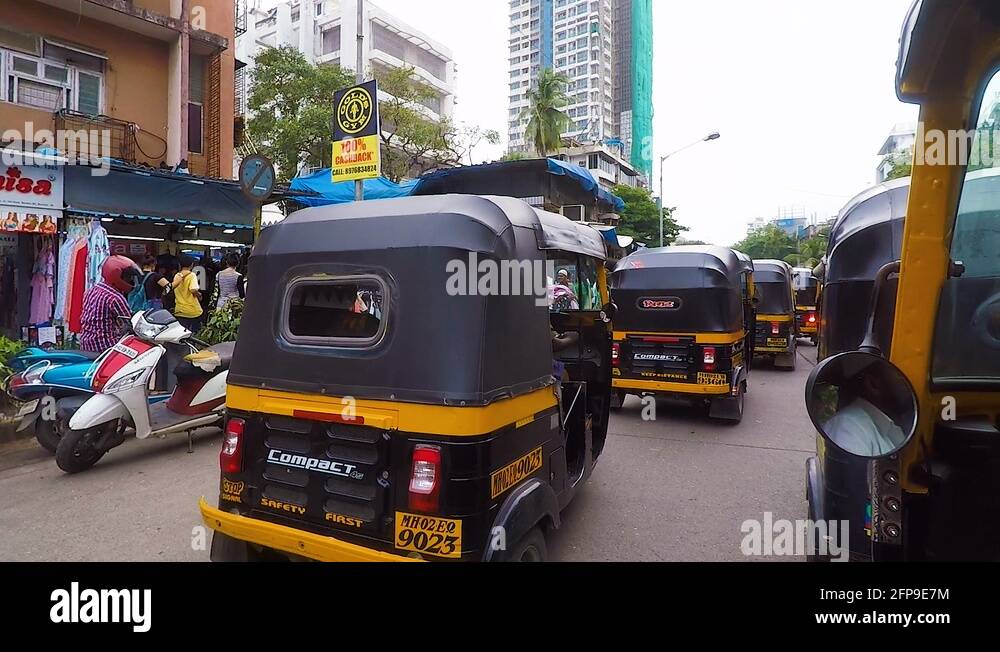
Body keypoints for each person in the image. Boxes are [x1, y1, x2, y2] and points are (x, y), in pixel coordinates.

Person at [823, 362, 908, 457]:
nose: (907, 382)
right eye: (899, 375)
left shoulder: (890, 425)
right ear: (873, 384)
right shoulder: (848, 427)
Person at [80, 256, 140, 352]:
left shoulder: (93, 289)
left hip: (86, 343)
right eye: (127, 277)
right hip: (105, 346)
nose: (130, 280)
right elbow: (130, 323)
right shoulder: (115, 298)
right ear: (116, 275)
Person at [171, 254, 203, 332]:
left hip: (180, 310)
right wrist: (199, 295)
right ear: (191, 265)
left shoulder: (177, 276)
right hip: (192, 310)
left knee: (182, 333)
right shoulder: (192, 275)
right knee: (193, 334)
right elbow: (193, 289)